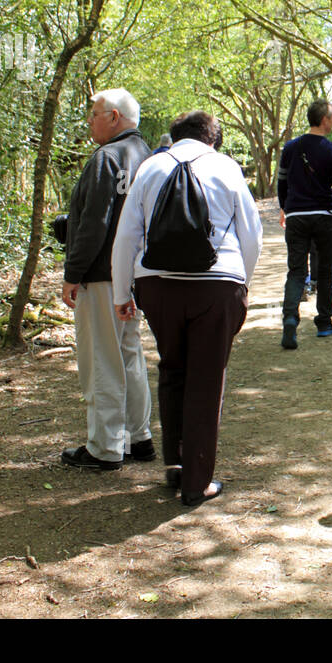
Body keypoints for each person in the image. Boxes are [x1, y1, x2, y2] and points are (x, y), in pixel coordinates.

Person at [111, 111, 263, 506]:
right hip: (217, 285)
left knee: (172, 368)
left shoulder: (150, 167)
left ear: (175, 135)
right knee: (206, 380)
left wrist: (122, 293)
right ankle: (197, 483)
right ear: (212, 138)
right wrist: (242, 283)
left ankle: (176, 464)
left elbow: (127, 235)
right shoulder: (226, 167)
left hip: (157, 286)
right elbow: (251, 234)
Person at [60, 88, 153, 471]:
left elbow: (94, 223)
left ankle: (104, 447)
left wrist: (72, 273)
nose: (89, 121)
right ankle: (138, 437)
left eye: (94, 114)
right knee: (129, 353)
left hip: (100, 276)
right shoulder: (148, 157)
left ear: (114, 117)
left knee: (101, 359)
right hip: (136, 275)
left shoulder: (106, 158)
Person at [276, 100, 332, 348]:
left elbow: (282, 183)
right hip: (323, 215)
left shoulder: (290, 148)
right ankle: (324, 322)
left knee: (296, 270)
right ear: (324, 120)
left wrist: (285, 207)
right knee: (325, 270)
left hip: (296, 216)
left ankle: (290, 318)